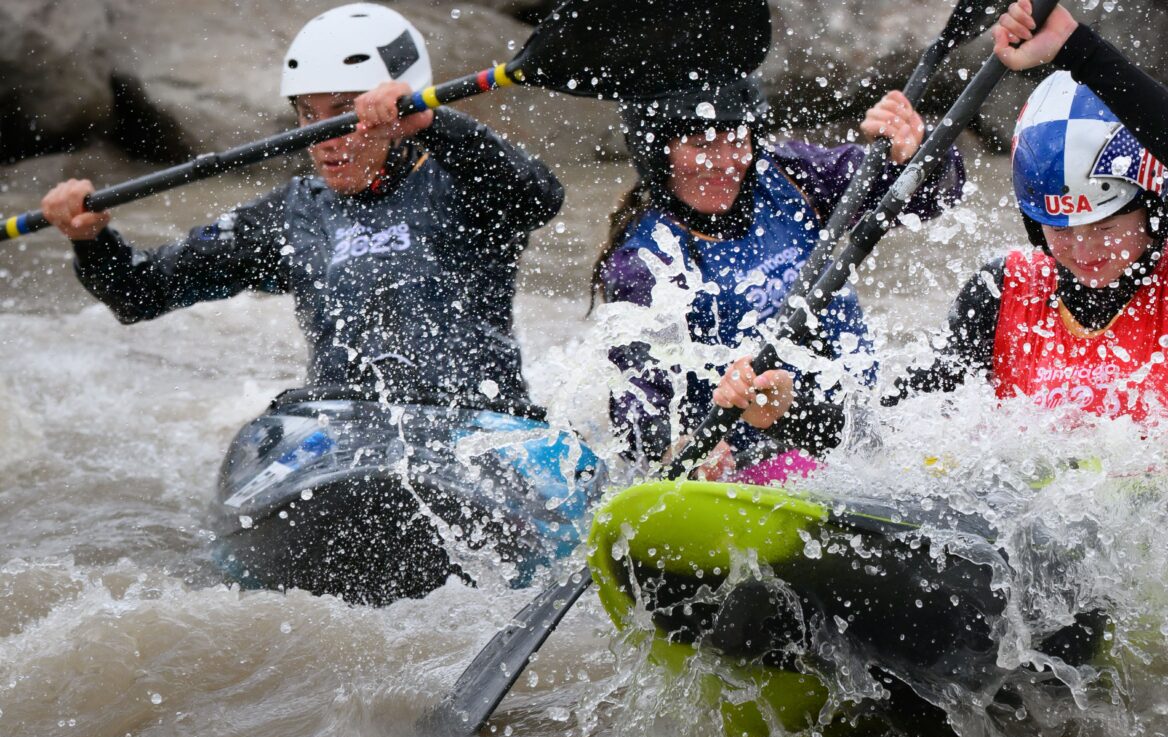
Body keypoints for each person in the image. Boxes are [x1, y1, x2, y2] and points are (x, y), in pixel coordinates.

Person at [40, 3, 564, 415]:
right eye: (309, 116)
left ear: (405, 105)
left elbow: (539, 197)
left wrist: (434, 123)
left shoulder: (466, 182)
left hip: (477, 425)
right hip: (344, 435)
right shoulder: (291, 216)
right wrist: (91, 238)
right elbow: (140, 293)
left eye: (344, 113)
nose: (325, 140)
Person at [876, 1, 1168, 453]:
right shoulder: (1002, 291)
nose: (1082, 249)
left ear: (1152, 208)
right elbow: (898, 423)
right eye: (1059, 228)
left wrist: (1075, 48)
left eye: (1104, 225)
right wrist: (797, 411)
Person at [594, 75, 965, 482]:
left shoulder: (789, 175)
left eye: (737, 140)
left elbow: (933, 196)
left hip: (856, 433)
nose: (723, 162)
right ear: (656, 153)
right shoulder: (644, 263)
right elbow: (637, 413)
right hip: (751, 460)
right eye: (701, 145)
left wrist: (914, 157)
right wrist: (676, 448)